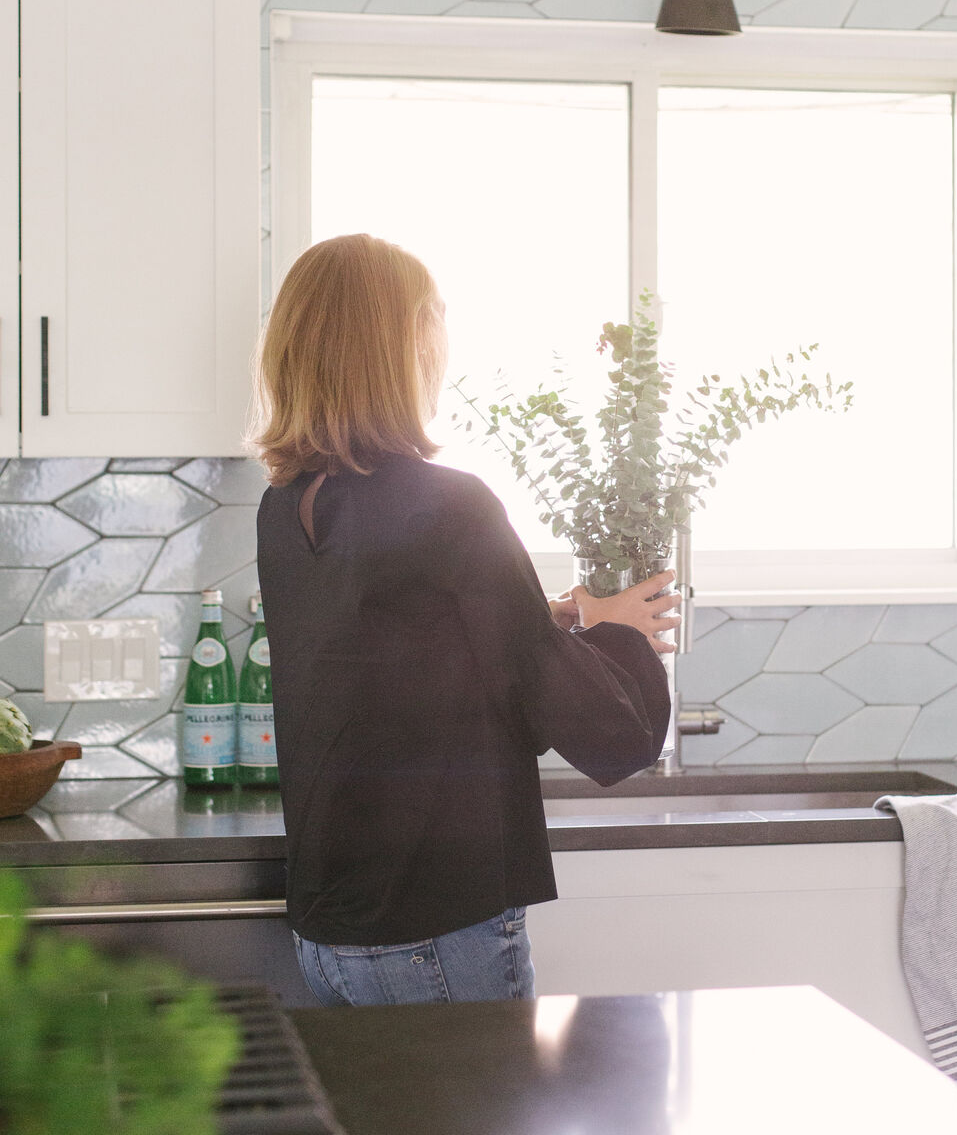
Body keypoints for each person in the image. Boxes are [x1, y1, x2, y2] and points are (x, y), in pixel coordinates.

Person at [250, 233, 678, 1007]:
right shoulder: (450, 505)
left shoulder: (286, 509)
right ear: (406, 342)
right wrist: (618, 630)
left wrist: (554, 616)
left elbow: (395, 669)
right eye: (434, 322)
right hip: (435, 936)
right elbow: (602, 732)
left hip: (331, 936)